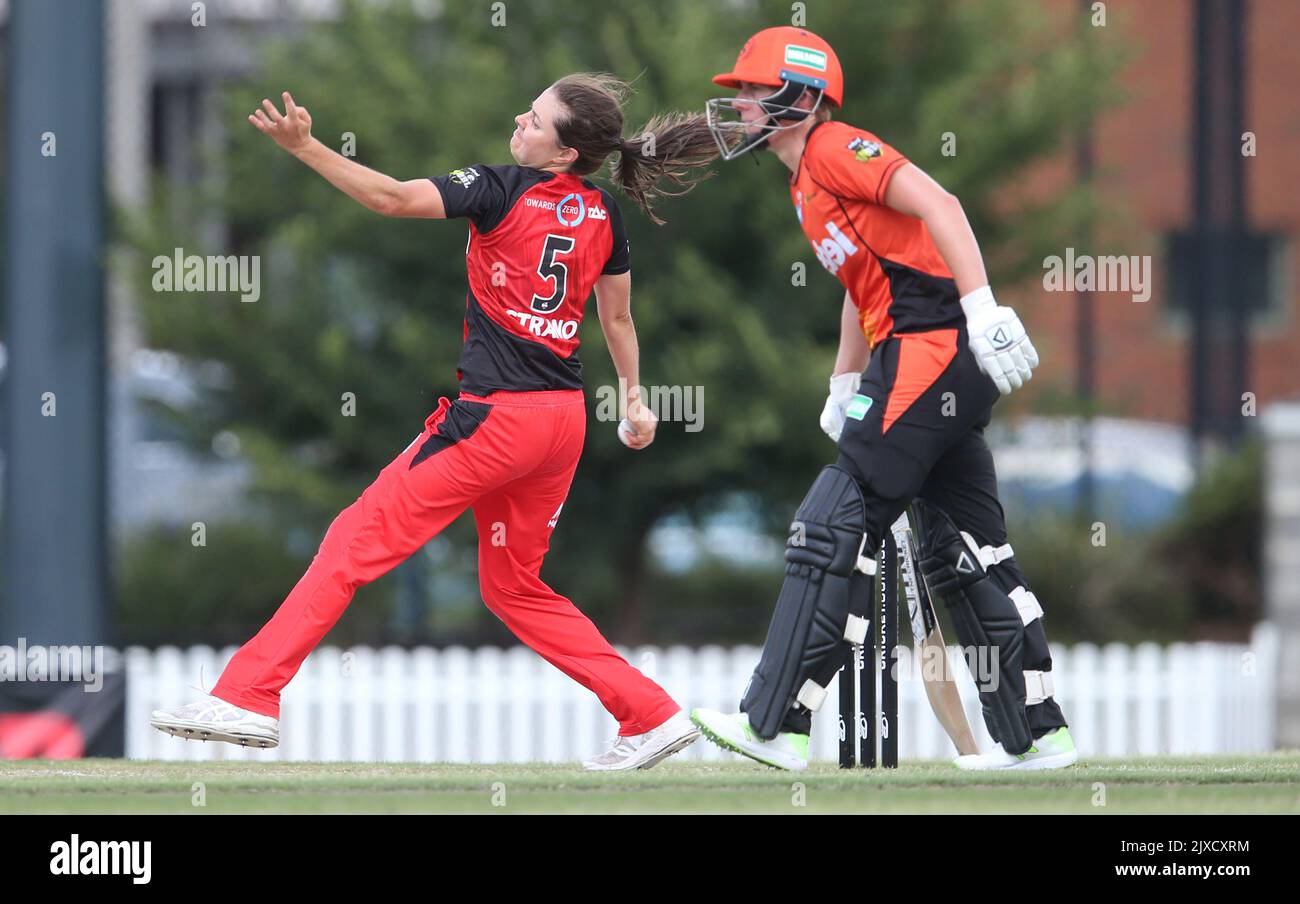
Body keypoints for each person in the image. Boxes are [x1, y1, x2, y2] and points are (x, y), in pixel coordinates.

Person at [151, 73, 718, 771]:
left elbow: (390, 198)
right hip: (561, 423)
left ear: (565, 152)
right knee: (515, 588)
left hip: (495, 421)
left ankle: (247, 696)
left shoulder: (499, 186)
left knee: (352, 541)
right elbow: (620, 317)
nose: (520, 118)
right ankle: (652, 715)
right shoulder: (603, 212)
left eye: (536, 119)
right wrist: (633, 398)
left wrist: (306, 149)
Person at [690, 27, 1077, 770]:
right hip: (914, 353)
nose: (736, 104)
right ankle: (1039, 736)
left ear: (797, 99)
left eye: (748, 91)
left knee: (829, 522)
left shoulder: (836, 149)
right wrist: (845, 376)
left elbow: (942, 202)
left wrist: (985, 308)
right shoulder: (803, 181)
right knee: (965, 545)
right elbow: (862, 284)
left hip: (931, 346)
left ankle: (774, 728)